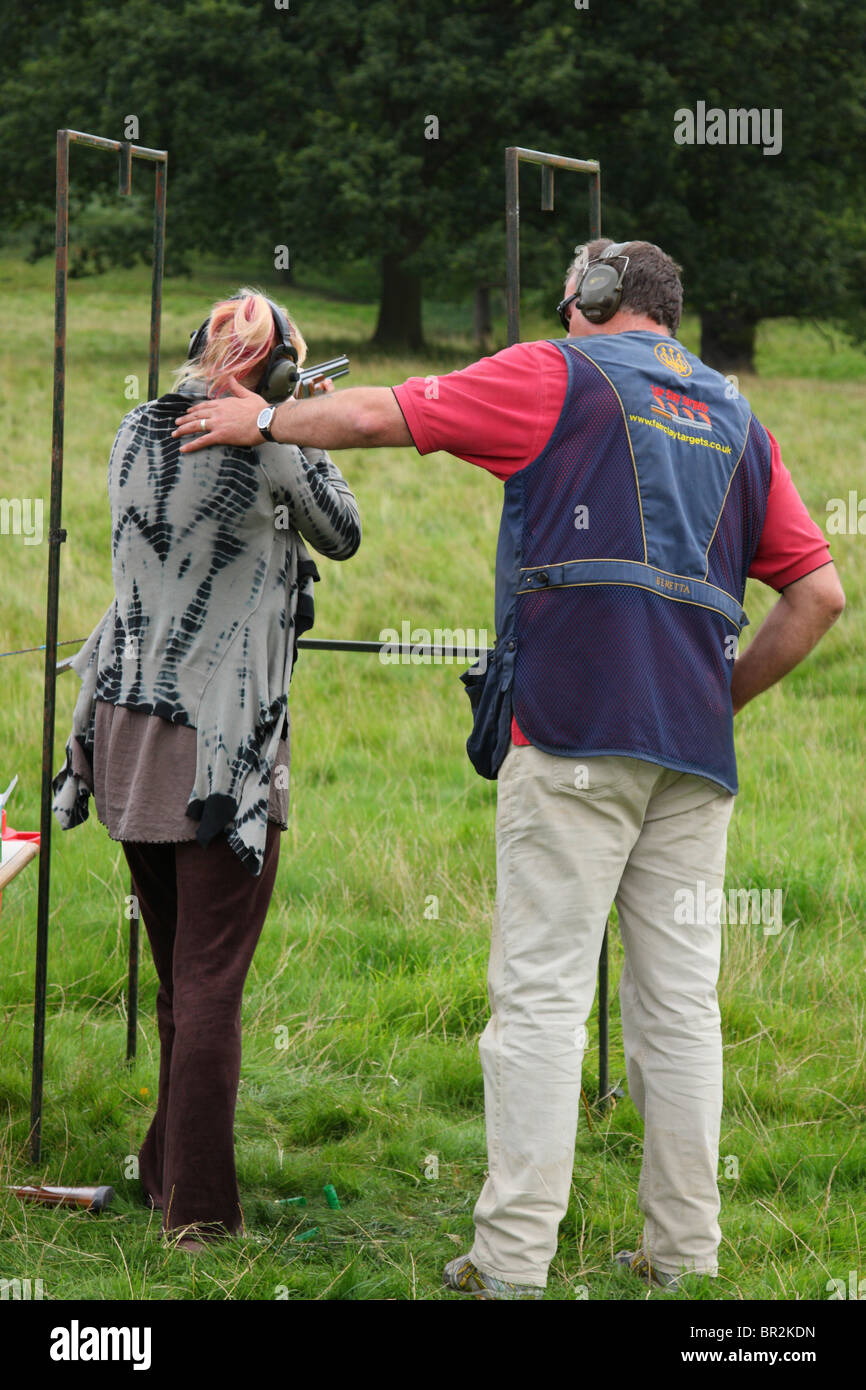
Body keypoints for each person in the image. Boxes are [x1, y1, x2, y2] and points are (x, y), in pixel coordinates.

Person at [172, 242, 844, 1294]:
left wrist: (260, 420)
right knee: (678, 1009)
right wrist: (717, 699)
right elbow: (816, 596)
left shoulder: (554, 372)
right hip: (692, 755)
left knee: (537, 997)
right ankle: (685, 1258)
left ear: (594, 299)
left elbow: (381, 415)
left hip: (572, 731)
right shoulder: (735, 418)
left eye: (569, 290)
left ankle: (511, 1261)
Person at [52, 289, 361, 1252]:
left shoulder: (129, 433)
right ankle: (202, 1216)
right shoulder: (272, 444)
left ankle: (160, 1169)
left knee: (182, 974)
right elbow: (341, 531)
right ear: (269, 372)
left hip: (127, 734)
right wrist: (292, 421)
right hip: (220, 750)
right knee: (213, 981)